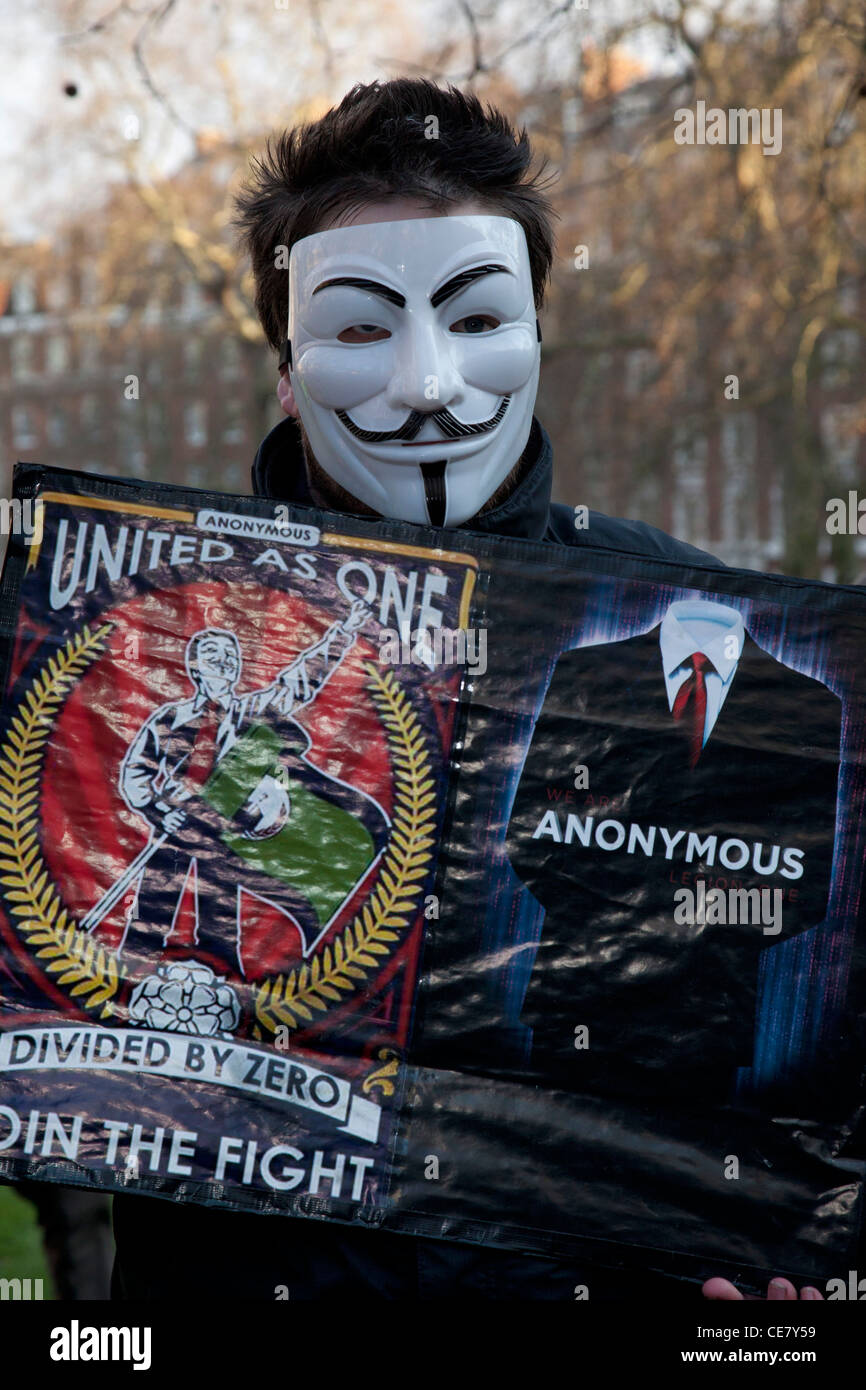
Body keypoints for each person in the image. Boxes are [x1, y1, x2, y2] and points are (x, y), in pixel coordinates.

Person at [111, 77, 825, 1301]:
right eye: (357, 331)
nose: (430, 384)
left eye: (477, 318)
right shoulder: (131, 638)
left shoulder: (704, 627)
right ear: (285, 372)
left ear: (539, 335)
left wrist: (771, 1248)